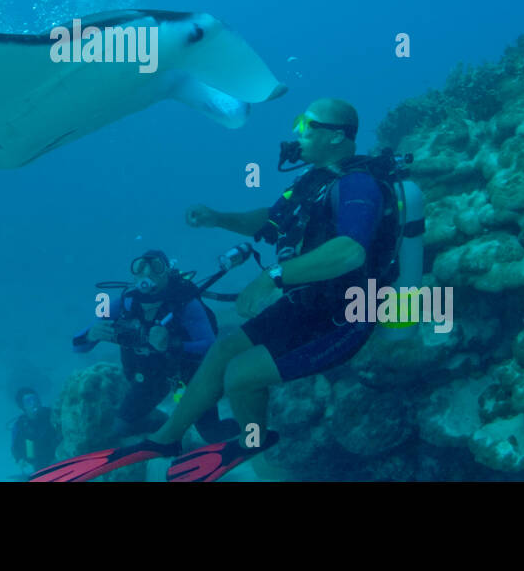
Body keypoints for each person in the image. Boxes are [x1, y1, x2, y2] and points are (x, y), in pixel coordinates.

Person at [31, 97, 397, 482]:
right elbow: (270, 222)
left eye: (308, 126)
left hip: (348, 314)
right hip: (307, 304)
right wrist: (218, 218)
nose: (298, 133)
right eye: (298, 123)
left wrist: (271, 275)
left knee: (240, 374)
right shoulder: (312, 182)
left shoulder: (358, 183)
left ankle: (253, 442)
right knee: (224, 349)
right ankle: (164, 439)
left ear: (337, 137)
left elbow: (351, 251)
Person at [72, 250, 237, 444]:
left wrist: (172, 344)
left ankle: (253, 427)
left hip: (189, 375)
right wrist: (90, 335)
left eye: (156, 267)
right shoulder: (124, 303)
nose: (146, 274)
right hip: (149, 381)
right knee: (119, 428)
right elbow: (78, 345)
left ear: (167, 271)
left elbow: (210, 346)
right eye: (140, 267)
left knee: (211, 433)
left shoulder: (184, 302)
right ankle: (162, 429)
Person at [10, 388, 59, 474]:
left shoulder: (52, 414)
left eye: (35, 399)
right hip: (38, 464)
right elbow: (15, 448)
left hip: (60, 456)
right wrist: (20, 459)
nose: (34, 403)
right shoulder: (20, 425)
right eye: (28, 401)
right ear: (22, 406)